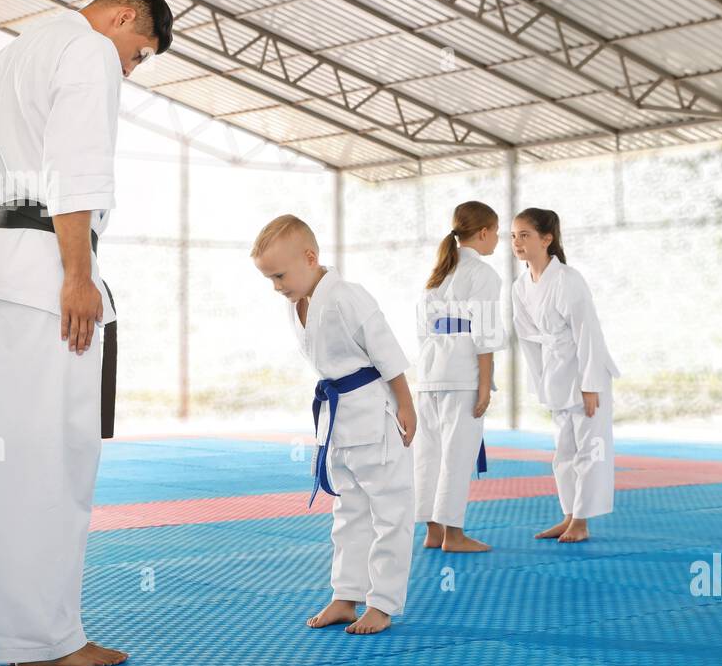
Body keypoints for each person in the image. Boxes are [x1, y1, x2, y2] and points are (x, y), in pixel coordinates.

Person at [0, 0, 173, 666]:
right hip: (44, 270)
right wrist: (77, 273)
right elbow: (76, 165)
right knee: (54, 459)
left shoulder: (18, 51)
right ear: (124, 15)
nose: (130, 66)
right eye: (141, 51)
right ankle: (47, 640)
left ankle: (16, 633)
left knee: (6, 462)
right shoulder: (88, 49)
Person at [250, 215, 416, 634]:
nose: (277, 287)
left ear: (310, 257)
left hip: (376, 417)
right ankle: (346, 596)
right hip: (338, 419)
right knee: (348, 511)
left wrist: (407, 406)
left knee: (391, 513)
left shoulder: (346, 296)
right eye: (270, 279)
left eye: (281, 275)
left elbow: (388, 353)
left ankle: (382, 603)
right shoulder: (298, 304)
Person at [511, 208, 619, 544]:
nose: (517, 242)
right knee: (564, 452)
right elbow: (527, 339)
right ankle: (569, 514)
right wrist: (541, 382)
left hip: (586, 373)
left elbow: (589, 333)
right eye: (513, 236)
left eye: (525, 235)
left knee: (591, 449)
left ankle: (582, 521)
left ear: (547, 239)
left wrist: (590, 384)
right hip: (557, 376)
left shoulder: (568, 280)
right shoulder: (520, 286)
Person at [413, 200, 508, 553]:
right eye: (496, 233)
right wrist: (485, 384)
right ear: (483, 233)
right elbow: (485, 334)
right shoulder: (483, 274)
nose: (498, 239)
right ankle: (453, 534)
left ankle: (432, 530)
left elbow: (423, 330)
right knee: (457, 454)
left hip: (429, 373)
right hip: (462, 373)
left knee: (429, 453)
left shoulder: (438, 273)